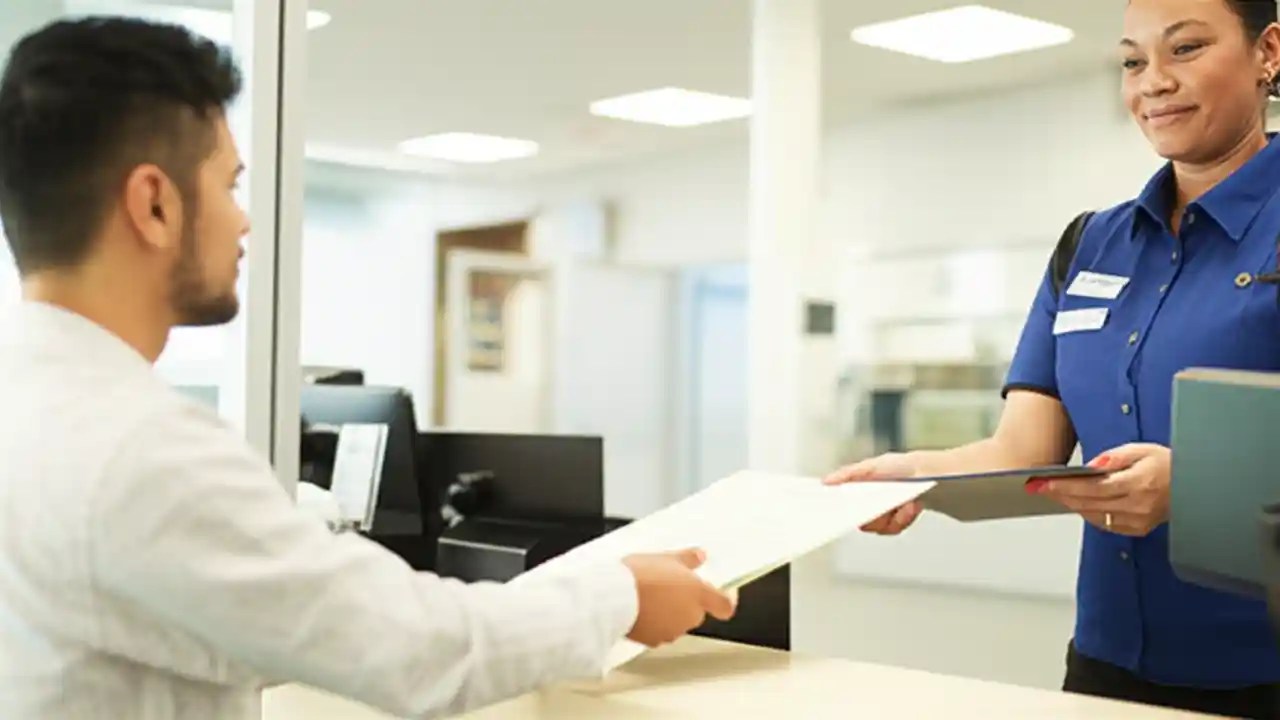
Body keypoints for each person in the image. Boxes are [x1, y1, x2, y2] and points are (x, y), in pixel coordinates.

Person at [0, 16, 734, 720]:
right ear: (154, 204)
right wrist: (620, 596)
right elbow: (418, 653)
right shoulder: (140, 449)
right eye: (228, 185)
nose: (245, 219)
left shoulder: (32, 406)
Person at [826, 0, 1280, 717]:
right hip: (1106, 667)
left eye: (1185, 49)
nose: (1152, 82)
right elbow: (1024, 449)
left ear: (1269, 54)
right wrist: (911, 473)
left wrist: (1200, 489)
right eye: (1133, 61)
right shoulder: (1091, 244)